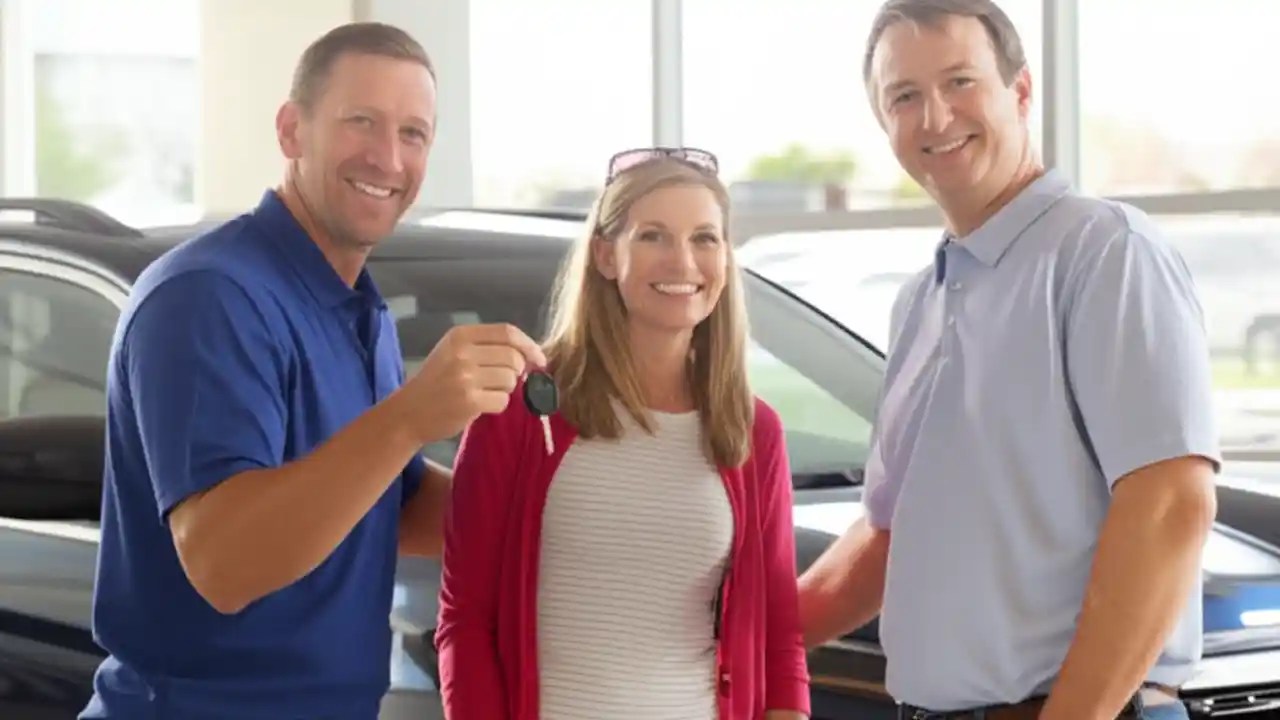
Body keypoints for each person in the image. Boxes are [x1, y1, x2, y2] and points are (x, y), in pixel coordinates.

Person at [80, 22, 546, 720]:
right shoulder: (209, 296)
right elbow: (226, 566)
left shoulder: (358, 308)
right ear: (292, 130)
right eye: (362, 122)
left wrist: (565, 501)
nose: (389, 158)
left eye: (413, 133)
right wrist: (413, 415)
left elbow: (393, 504)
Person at [797, 1, 1220, 719]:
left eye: (960, 82)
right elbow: (889, 534)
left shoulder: (1103, 251)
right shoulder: (920, 301)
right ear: (884, 123)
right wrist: (716, 644)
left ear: (1020, 93)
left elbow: (1170, 502)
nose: (935, 117)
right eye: (905, 97)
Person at [434, 148, 811, 720]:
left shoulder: (754, 431)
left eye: (705, 238)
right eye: (654, 236)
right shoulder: (521, 409)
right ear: (608, 255)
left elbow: (780, 634)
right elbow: (466, 618)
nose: (683, 261)